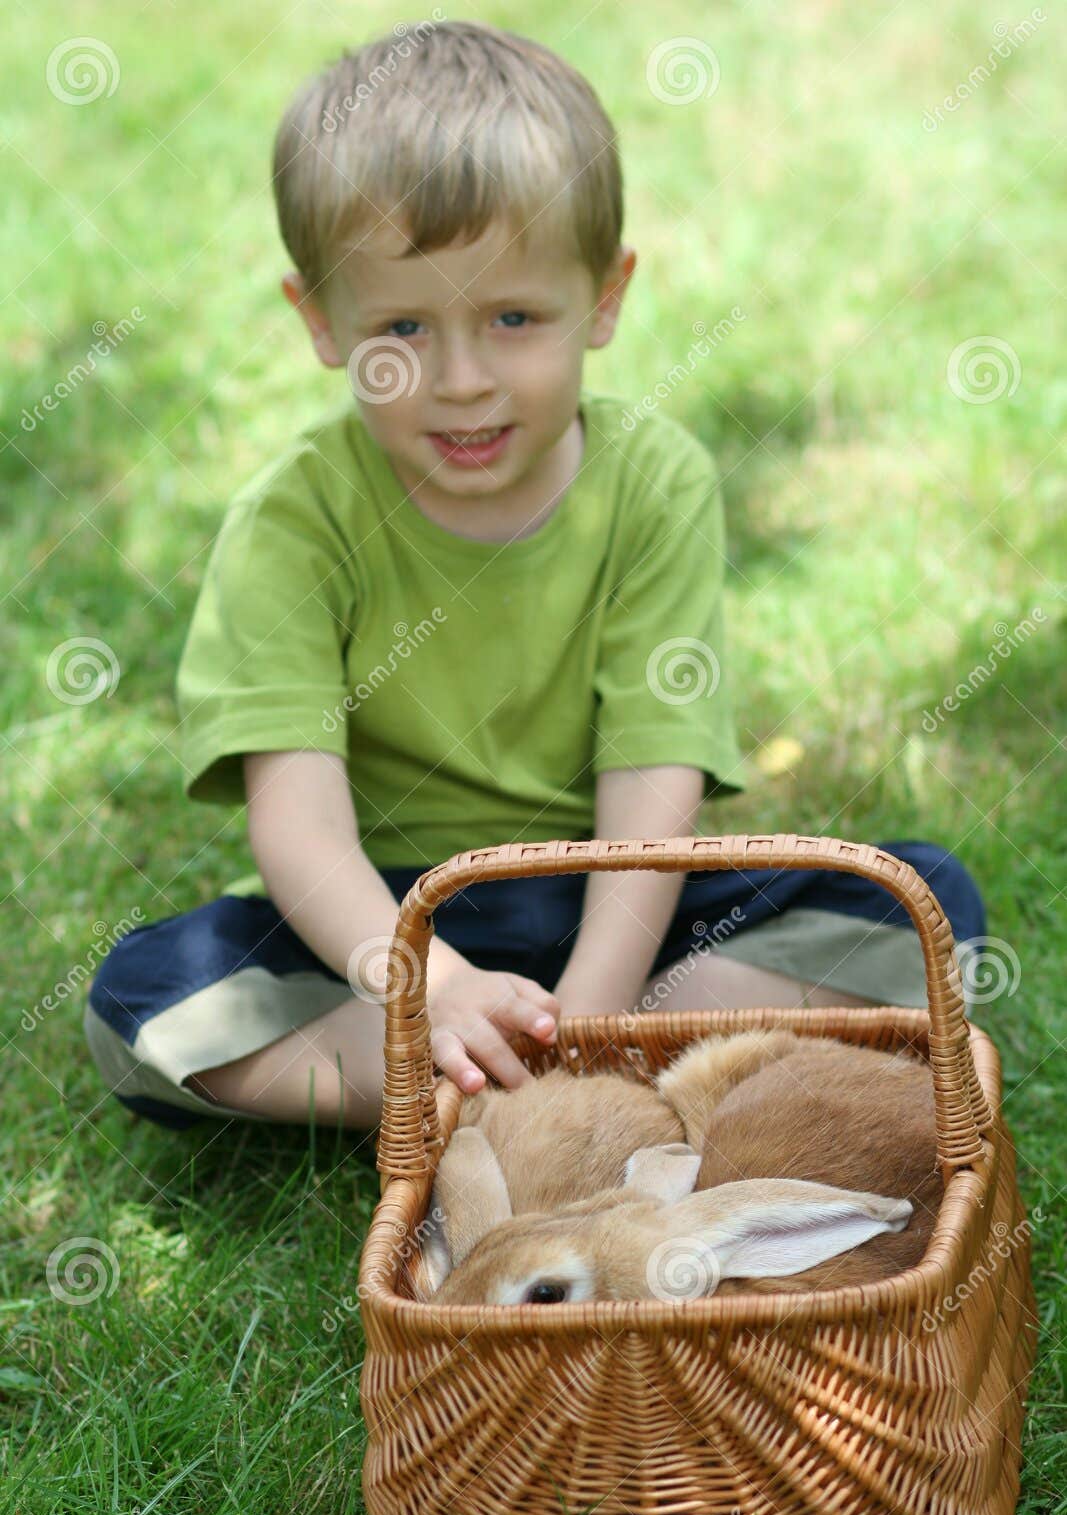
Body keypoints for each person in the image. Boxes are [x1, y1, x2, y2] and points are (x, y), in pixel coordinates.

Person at [83, 21, 985, 1134]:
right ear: (320, 320)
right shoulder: (290, 523)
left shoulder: (651, 485)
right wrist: (432, 989)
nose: (462, 380)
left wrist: (595, 1017)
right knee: (147, 998)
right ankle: (443, 1075)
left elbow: (654, 783)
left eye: (513, 318)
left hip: (629, 905)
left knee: (916, 907)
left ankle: (594, 1058)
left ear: (603, 299)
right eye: (403, 326)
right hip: (394, 920)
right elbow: (302, 828)